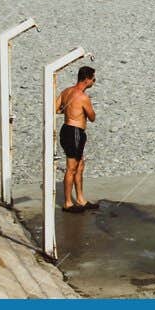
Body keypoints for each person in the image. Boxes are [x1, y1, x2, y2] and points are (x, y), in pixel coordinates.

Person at [56, 66, 97, 212]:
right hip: (75, 132)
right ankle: (68, 202)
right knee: (72, 168)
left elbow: (56, 108)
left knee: (80, 166)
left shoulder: (66, 91)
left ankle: (80, 199)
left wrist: (69, 111)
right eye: (93, 79)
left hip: (66, 129)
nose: (94, 81)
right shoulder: (83, 97)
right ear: (87, 80)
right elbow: (92, 117)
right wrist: (84, 112)